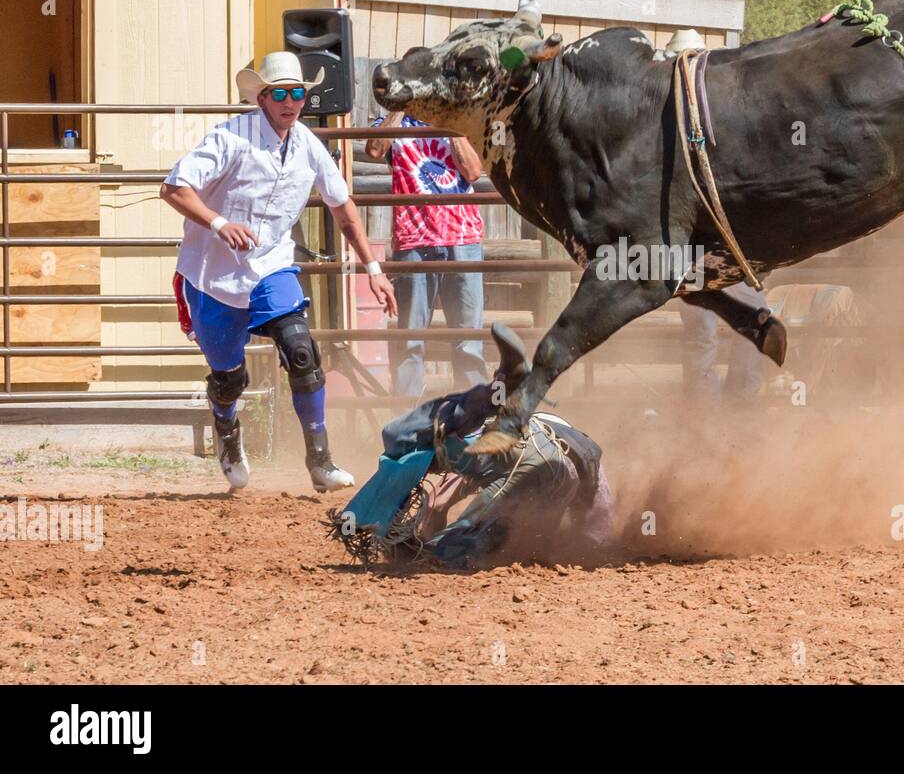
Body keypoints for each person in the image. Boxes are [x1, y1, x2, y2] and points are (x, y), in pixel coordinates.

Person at [163, 51, 398, 493]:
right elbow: (174, 187)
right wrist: (219, 223)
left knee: (301, 352)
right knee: (230, 378)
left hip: (271, 266)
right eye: (281, 94)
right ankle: (227, 429)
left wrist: (373, 268)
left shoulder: (308, 144)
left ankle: (320, 458)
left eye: (297, 93)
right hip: (213, 274)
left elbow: (342, 206)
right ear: (263, 98)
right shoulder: (230, 138)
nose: (291, 102)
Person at [336, 324, 615, 569]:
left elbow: (436, 504)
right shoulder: (591, 466)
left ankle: (497, 391)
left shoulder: (563, 438)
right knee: (461, 543)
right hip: (535, 455)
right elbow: (597, 538)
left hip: (518, 441)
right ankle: (499, 391)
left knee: (404, 437)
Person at [661, 28, 770, 403]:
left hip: (717, 247)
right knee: (706, 332)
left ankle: (735, 409)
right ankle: (710, 416)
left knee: (745, 321)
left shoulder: (710, 116)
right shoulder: (671, 121)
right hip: (698, 247)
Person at [366, 110, 486, 397]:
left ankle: (473, 417)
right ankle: (408, 420)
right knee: (412, 338)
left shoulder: (459, 118)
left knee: (468, 338)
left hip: (462, 236)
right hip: (414, 240)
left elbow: (472, 172)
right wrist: (400, 107)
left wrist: (451, 124)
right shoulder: (393, 121)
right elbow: (374, 149)